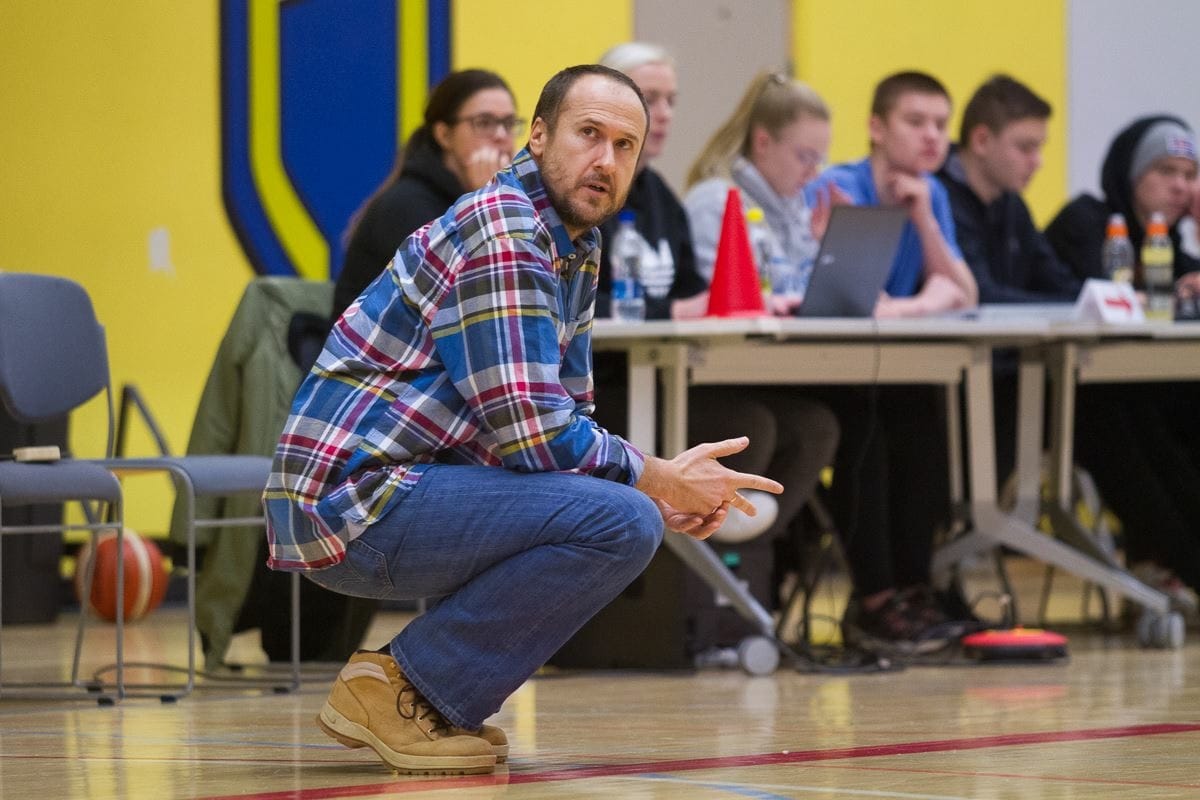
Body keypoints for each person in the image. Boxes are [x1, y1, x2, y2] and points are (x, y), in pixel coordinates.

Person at [263, 65, 783, 776]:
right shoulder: (506, 229)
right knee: (623, 521)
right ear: (538, 136)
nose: (605, 160)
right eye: (589, 134)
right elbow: (532, 428)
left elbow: (565, 420)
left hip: (405, 488)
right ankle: (402, 689)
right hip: (354, 499)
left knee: (622, 513)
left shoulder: (575, 242)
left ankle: (425, 698)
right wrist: (657, 483)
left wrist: (644, 490)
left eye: (625, 146)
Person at [594, 49, 838, 566]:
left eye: (670, 101)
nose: (662, 113)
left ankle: (745, 573)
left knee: (815, 426)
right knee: (751, 423)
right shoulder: (588, 196)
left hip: (663, 375)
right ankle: (687, 572)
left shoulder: (658, 195)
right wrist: (685, 309)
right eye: (648, 97)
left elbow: (691, 293)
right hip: (603, 385)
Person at [798, 72, 980, 655]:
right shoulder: (834, 186)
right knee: (870, 431)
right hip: (827, 370)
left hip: (894, 369)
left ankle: (915, 590)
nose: (933, 138)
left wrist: (924, 220)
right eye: (916, 122)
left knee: (925, 426)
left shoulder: (933, 193)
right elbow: (834, 294)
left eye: (940, 125)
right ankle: (875, 599)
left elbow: (963, 293)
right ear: (877, 127)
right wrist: (921, 304)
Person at [1045, 115, 1200, 602]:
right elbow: (1108, 300)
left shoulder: (1173, 247)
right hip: (1072, 395)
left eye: (1189, 175)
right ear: (1131, 175)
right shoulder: (1088, 221)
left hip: (1142, 391)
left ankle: (1168, 564)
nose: (1179, 186)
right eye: (1165, 171)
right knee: (1140, 426)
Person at [934, 75, 1081, 487]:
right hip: (952, 379)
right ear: (981, 140)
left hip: (1006, 370)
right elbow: (979, 297)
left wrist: (1111, 300)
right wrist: (1076, 308)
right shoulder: (938, 197)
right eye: (1026, 147)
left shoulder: (1012, 205)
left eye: (1040, 148)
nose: (1038, 161)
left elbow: (1057, 281)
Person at [332, 69, 521, 321]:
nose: (500, 135)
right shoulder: (406, 206)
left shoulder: (517, 196)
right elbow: (472, 297)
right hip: (375, 357)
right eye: (484, 123)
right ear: (444, 134)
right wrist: (485, 204)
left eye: (508, 124)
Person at [683, 71, 847, 307]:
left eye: (819, 160)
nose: (814, 174)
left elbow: (811, 297)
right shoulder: (714, 202)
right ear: (763, 143)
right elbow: (720, 302)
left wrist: (828, 245)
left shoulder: (798, 207)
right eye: (805, 157)